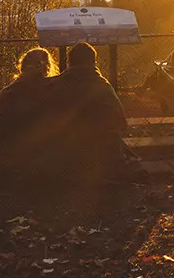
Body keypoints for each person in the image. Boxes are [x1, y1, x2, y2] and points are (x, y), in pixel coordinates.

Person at [44, 42, 143, 184]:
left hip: (65, 160)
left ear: (70, 62)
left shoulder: (53, 86)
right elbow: (122, 123)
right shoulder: (104, 87)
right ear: (93, 63)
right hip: (104, 160)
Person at [0, 47, 58, 176]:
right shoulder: (51, 91)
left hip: (9, 157)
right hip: (41, 159)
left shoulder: (8, 92)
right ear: (47, 67)